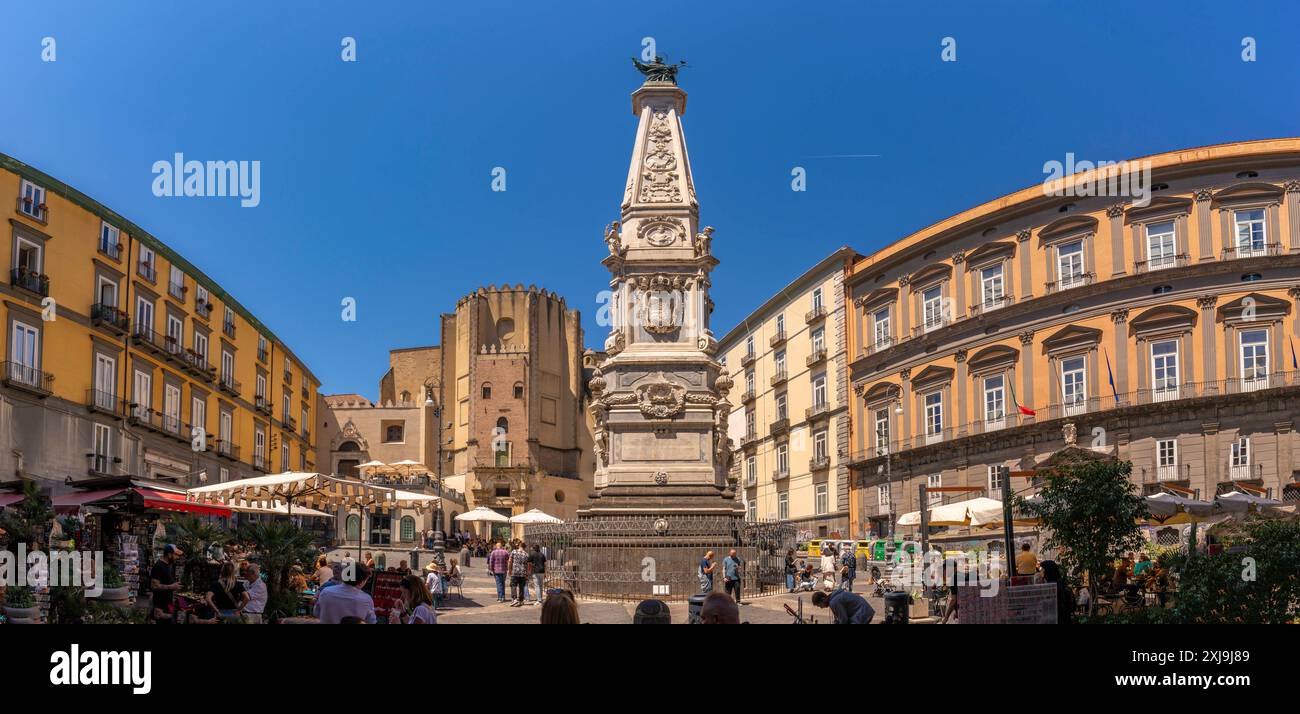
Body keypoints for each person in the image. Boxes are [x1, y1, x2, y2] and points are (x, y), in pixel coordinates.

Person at [149, 544, 184, 624]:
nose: (177, 557)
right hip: (161, 605)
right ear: (169, 554)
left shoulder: (169, 565)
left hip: (168, 604)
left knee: (173, 619)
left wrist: (174, 586)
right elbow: (154, 586)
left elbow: (167, 583)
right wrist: (171, 586)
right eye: (176, 555)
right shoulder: (158, 566)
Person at [508, 541, 530, 606]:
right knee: (521, 587)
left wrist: (509, 570)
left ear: (519, 546)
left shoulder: (514, 551)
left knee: (513, 585)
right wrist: (527, 573)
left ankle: (514, 599)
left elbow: (510, 561)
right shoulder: (526, 554)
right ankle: (521, 600)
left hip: (515, 572)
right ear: (525, 547)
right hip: (523, 573)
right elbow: (528, 565)